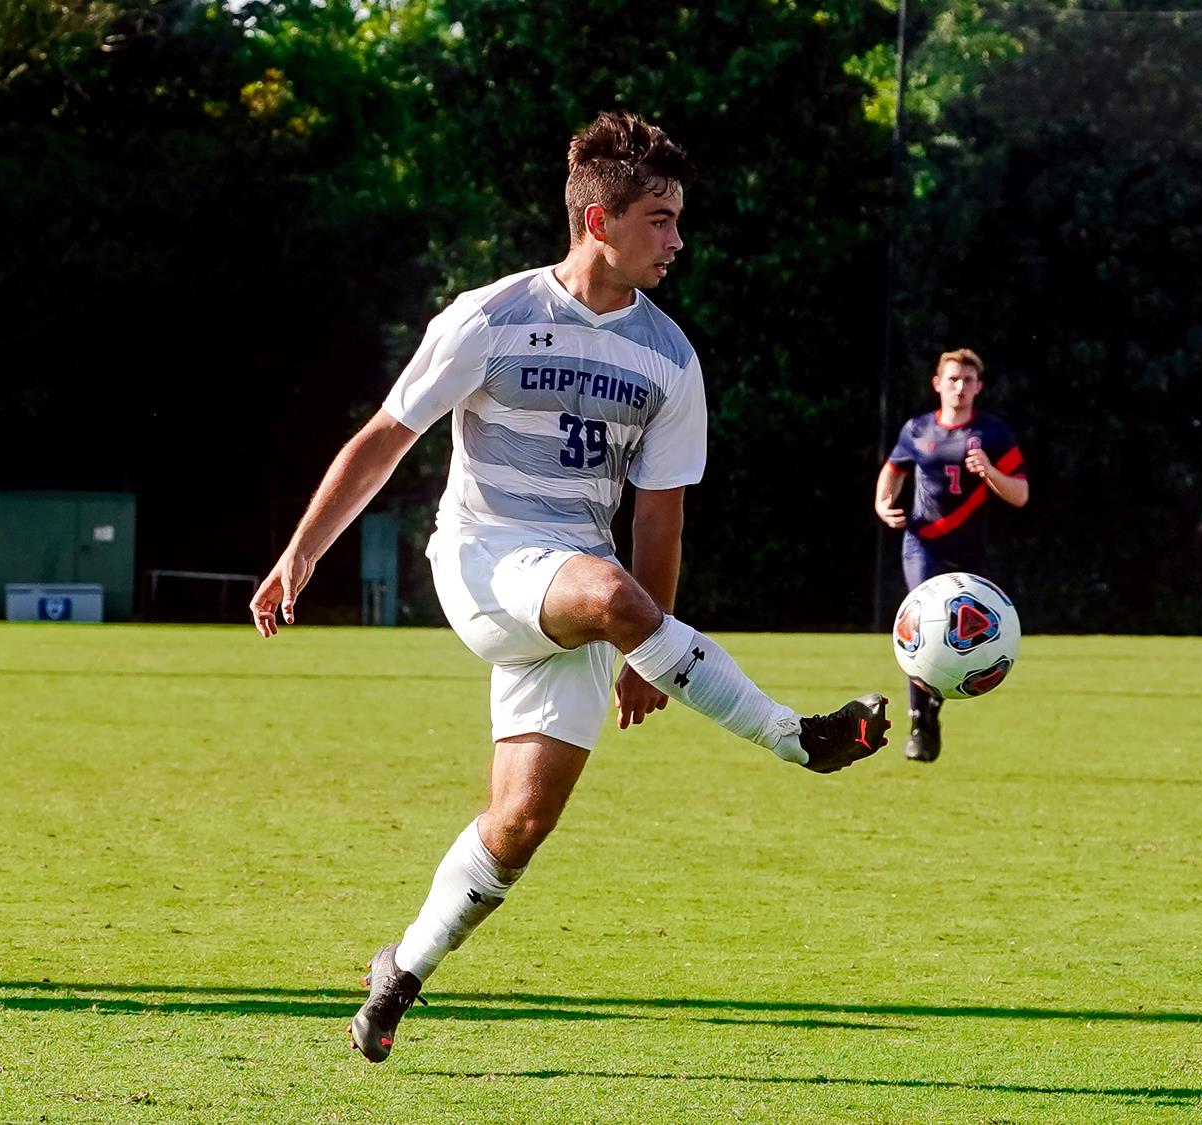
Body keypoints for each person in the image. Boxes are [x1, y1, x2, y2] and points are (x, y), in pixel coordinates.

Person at [247, 111, 890, 1064]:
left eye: (678, 218)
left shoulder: (670, 356)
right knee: (605, 587)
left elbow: (660, 519)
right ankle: (799, 739)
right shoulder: (490, 316)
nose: (678, 239)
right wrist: (302, 551)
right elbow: (386, 437)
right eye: (661, 219)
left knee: (518, 824)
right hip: (485, 557)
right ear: (599, 222)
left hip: (586, 595)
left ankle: (400, 972)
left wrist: (647, 650)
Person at [873, 348, 1028, 763]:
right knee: (923, 626)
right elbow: (894, 469)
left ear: (979, 387)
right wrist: (882, 503)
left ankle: (934, 707)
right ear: (937, 384)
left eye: (968, 380)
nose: (960, 387)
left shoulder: (992, 433)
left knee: (959, 636)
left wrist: (990, 471)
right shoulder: (918, 428)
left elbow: (1020, 494)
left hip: (968, 552)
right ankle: (919, 724)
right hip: (921, 544)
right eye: (953, 379)